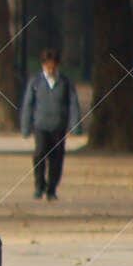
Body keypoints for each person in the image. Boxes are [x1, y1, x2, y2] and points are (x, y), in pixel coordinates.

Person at [20, 47, 82, 201]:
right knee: (39, 154)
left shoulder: (65, 82)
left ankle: (52, 188)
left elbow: (73, 104)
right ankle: (39, 185)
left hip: (58, 126)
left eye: (53, 65)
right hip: (41, 126)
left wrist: (75, 125)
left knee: (57, 158)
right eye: (48, 65)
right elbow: (28, 105)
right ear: (43, 65)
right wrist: (26, 127)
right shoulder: (35, 82)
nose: (51, 69)